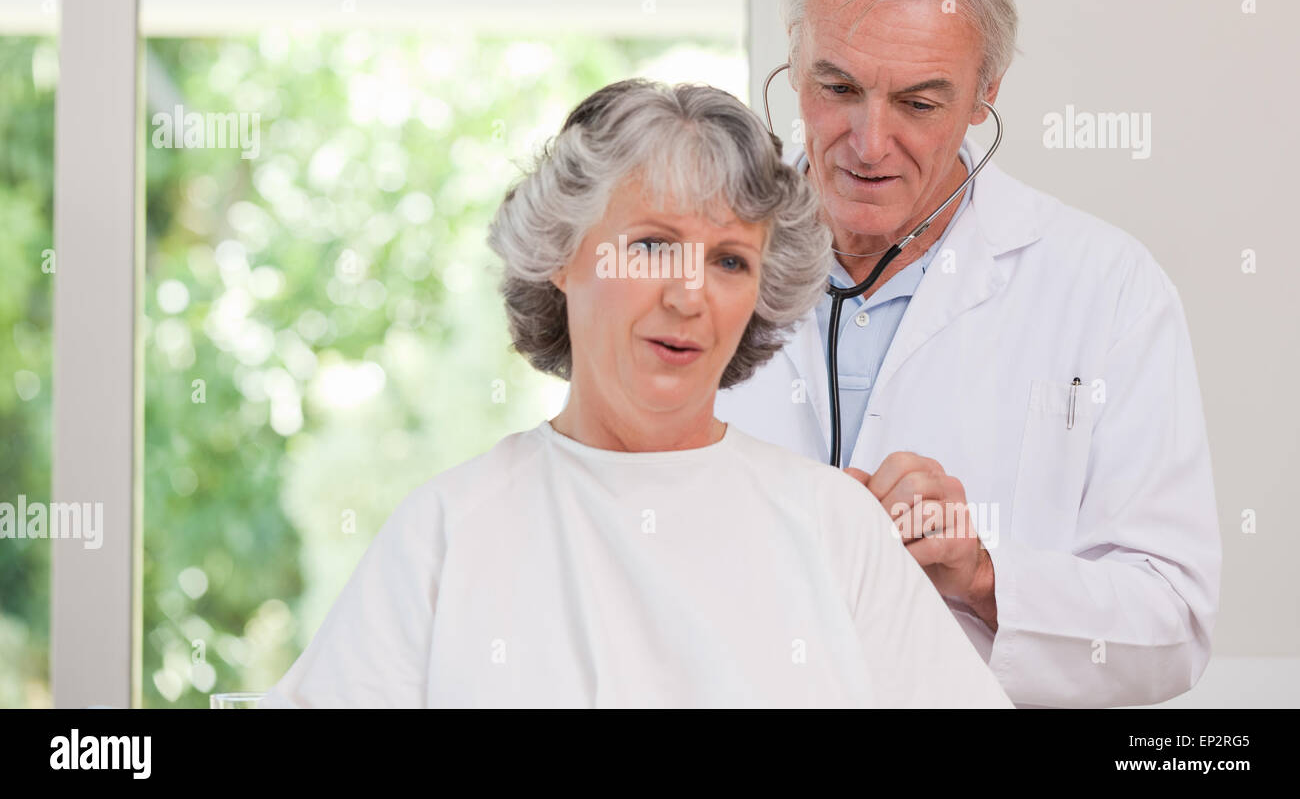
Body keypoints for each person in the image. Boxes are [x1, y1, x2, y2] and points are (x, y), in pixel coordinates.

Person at [261, 79, 1012, 708]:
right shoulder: (448, 532)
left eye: (728, 260)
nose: (691, 296)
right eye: (652, 244)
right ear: (562, 254)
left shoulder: (833, 526)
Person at [714, 0, 1221, 707]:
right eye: (836, 85)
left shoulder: (1106, 288)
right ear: (793, 61)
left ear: (986, 93)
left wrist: (980, 569)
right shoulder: (699, 256)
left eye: (918, 103)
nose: (869, 142)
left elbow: (1172, 623)